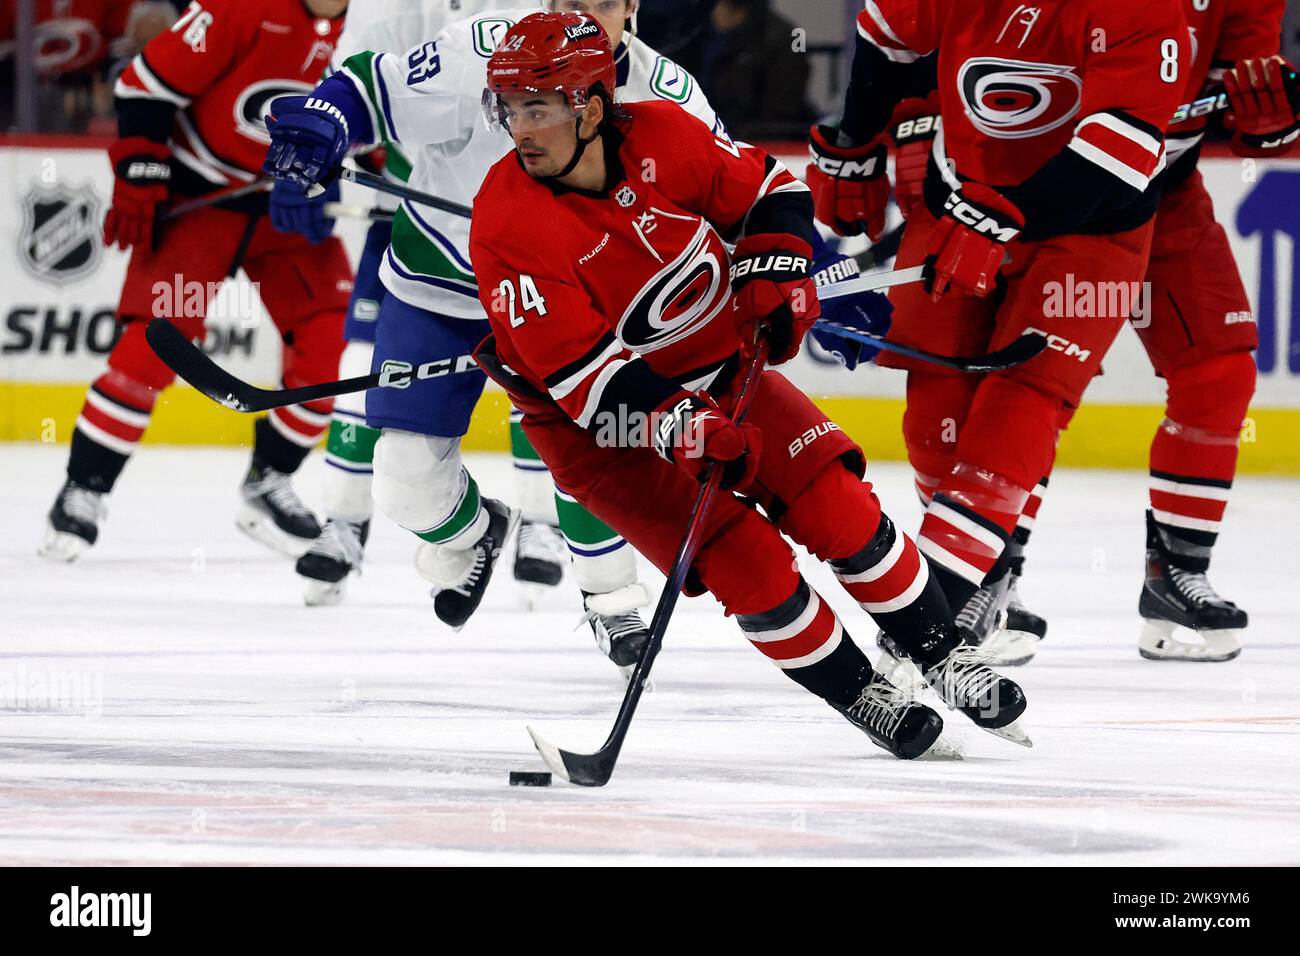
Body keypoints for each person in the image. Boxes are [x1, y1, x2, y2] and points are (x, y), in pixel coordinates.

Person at [467, 12, 1030, 758]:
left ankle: (940, 652)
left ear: (592, 107)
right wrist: (676, 424)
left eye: (536, 108)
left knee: (838, 507)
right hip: (602, 437)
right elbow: (585, 380)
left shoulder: (666, 136)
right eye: (508, 110)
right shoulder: (507, 222)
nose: (520, 129)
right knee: (748, 563)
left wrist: (778, 262)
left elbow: (772, 189)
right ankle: (859, 691)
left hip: (724, 371)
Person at [263, 2, 724, 669]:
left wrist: (783, 248)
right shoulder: (487, 45)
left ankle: (613, 600)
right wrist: (328, 117)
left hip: (565, 295)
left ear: (634, 8)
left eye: (602, 3)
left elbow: (730, 185)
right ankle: (474, 537)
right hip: (441, 278)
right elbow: (377, 86)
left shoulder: (669, 93)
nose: (583, 16)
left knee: (590, 452)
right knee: (404, 475)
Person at [879, 2, 1298, 665]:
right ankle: (990, 575)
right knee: (1000, 387)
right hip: (1045, 191)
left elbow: (1243, 105)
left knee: (1217, 368)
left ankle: (1174, 578)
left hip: (1159, 188)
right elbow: (933, 48)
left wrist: (1272, 126)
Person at [807, 0, 1190, 666]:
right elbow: (886, 32)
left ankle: (944, 596)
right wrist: (856, 144)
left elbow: (1120, 146)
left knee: (1023, 396)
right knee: (935, 410)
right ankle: (989, 572)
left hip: (1092, 227)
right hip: (962, 194)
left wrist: (1008, 218)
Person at [40, 0, 352, 562]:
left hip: (288, 214)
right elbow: (143, 86)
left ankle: (269, 480)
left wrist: (337, 176)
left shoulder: (378, 23)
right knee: (153, 349)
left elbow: (381, 123)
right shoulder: (243, 8)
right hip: (203, 201)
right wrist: (143, 166)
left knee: (333, 342)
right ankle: (84, 488)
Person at [675, 0, 811, 140]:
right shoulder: (685, 30)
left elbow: (780, 117)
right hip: (687, 142)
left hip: (748, 149)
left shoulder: (781, 37)